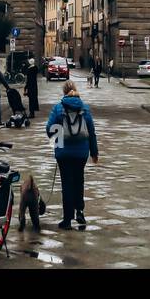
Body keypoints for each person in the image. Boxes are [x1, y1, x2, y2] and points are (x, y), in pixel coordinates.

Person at [45, 79, 99, 230]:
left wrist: (57, 141)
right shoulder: (85, 108)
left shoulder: (58, 108)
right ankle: (80, 211)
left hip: (64, 153)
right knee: (79, 180)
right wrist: (94, 153)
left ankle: (67, 219)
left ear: (64, 92)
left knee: (67, 184)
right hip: (81, 152)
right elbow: (92, 133)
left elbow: (50, 129)